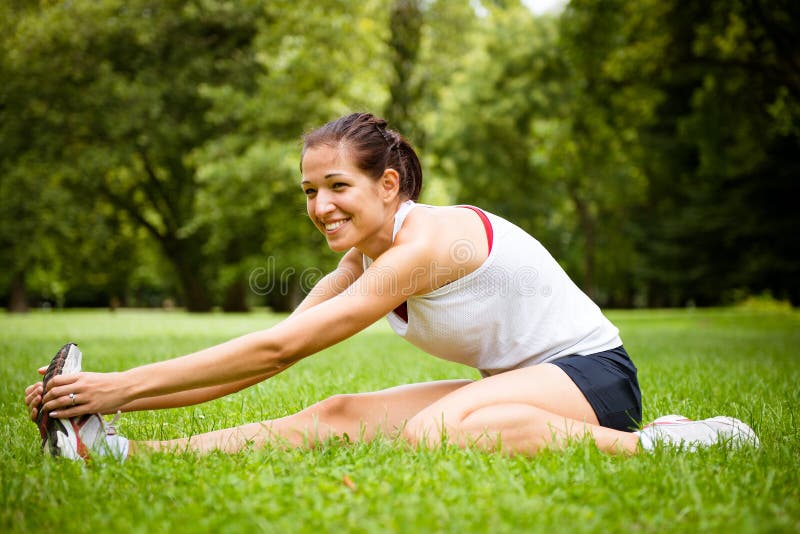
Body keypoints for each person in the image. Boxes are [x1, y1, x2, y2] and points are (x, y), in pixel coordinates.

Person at [24, 113, 759, 461]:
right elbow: (266, 352)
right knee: (340, 411)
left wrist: (117, 385)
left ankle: (673, 446)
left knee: (437, 432)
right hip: (523, 380)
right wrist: (104, 399)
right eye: (308, 191)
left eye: (336, 186)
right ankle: (118, 453)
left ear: (387, 183)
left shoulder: (427, 245)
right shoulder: (362, 261)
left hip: (595, 379)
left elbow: (281, 348)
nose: (319, 207)